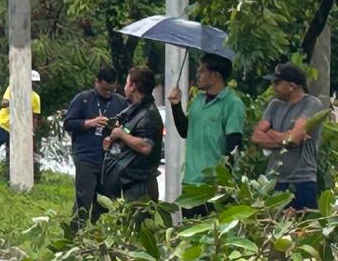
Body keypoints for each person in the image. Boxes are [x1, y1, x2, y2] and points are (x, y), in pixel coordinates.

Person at [166, 54, 245, 208]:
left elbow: (234, 146)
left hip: (213, 186)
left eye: (202, 71)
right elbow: (185, 132)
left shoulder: (232, 103)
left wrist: (221, 179)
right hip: (190, 181)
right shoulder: (198, 100)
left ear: (215, 75)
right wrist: (175, 106)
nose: (198, 75)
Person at [250, 62, 327, 212]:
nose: (273, 86)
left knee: (302, 232)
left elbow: (293, 138)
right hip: (273, 181)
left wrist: (270, 132)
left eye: (277, 82)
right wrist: (285, 137)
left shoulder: (311, 104)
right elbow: (256, 137)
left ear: (291, 86)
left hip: (302, 182)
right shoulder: (274, 105)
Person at [64, 66, 128, 232]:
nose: (108, 93)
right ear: (96, 82)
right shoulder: (83, 99)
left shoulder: (120, 102)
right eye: (104, 89)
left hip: (110, 159)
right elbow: (68, 123)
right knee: (83, 199)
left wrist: (117, 128)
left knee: (104, 201)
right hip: (86, 157)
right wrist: (89, 123)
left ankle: (97, 237)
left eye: (111, 90)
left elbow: (128, 126)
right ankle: (74, 237)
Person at [99, 65, 163, 203]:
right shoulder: (134, 112)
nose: (125, 87)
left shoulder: (148, 114)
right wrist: (114, 141)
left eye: (127, 83)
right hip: (129, 183)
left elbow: (146, 146)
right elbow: (132, 138)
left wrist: (122, 135)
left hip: (141, 186)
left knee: (138, 223)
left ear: (133, 86)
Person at [0, 70, 42, 165]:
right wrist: (16, 99)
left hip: (18, 129)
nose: (33, 84)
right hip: (4, 124)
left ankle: (13, 178)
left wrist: (32, 132)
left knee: (15, 155)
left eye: (35, 82)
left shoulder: (35, 97)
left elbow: (34, 117)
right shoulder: (13, 89)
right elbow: (3, 104)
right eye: (32, 81)